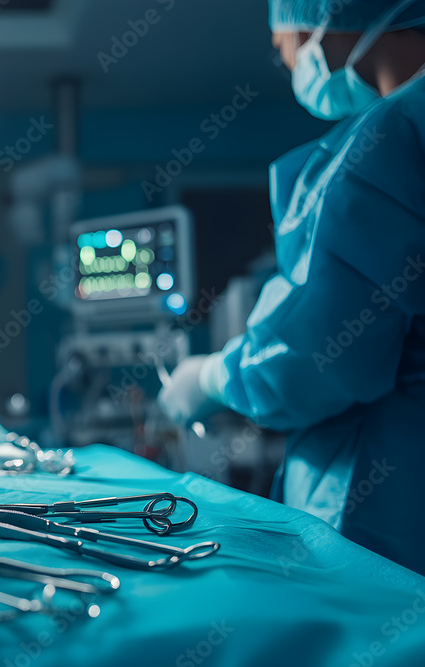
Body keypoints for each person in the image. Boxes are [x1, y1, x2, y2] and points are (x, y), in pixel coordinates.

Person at [160, 0, 425, 575]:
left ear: (323, 20)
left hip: (395, 513)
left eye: (283, 44)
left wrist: (212, 378)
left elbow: (319, 357)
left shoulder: (390, 143)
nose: (286, 61)